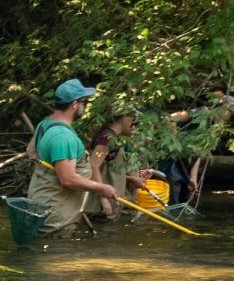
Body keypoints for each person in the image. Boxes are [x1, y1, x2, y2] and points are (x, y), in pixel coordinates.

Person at [25, 79, 118, 237]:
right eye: (84, 102)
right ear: (75, 104)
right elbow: (67, 180)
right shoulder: (63, 137)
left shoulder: (45, 124)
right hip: (55, 216)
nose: (85, 105)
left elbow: (30, 151)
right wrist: (102, 189)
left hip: (39, 204)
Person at [88, 109, 151, 218]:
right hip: (102, 203)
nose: (135, 128)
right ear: (125, 117)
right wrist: (103, 197)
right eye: (134, 123)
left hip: (111, 199)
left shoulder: (115, 139)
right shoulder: (107, 139)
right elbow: (93, 166)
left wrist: (131, 179)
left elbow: (108, 170)